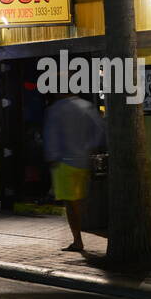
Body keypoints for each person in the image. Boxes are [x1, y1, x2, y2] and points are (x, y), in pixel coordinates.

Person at [42, 92, 106, 253]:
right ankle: (81, 234)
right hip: (82, 161)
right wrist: (87, 148)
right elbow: (99, 130)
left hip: (64, 162)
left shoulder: (56, 109)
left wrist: (52, 157)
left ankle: (78, 240)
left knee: (71, 204)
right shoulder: (86, 106)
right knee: (80, 200)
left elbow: (51, 136)